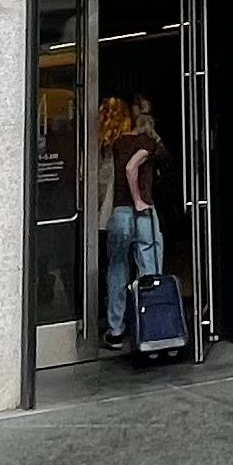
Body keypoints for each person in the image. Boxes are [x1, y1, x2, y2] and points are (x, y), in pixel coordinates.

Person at [100, 115, 169, 351]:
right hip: (141, 214)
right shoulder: (147, 142)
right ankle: (150, 326)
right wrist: (139, 199)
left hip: (119, 213)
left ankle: (116, 330)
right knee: (149, 270)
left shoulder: (118, 142)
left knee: (118, 268)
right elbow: (132, 167)